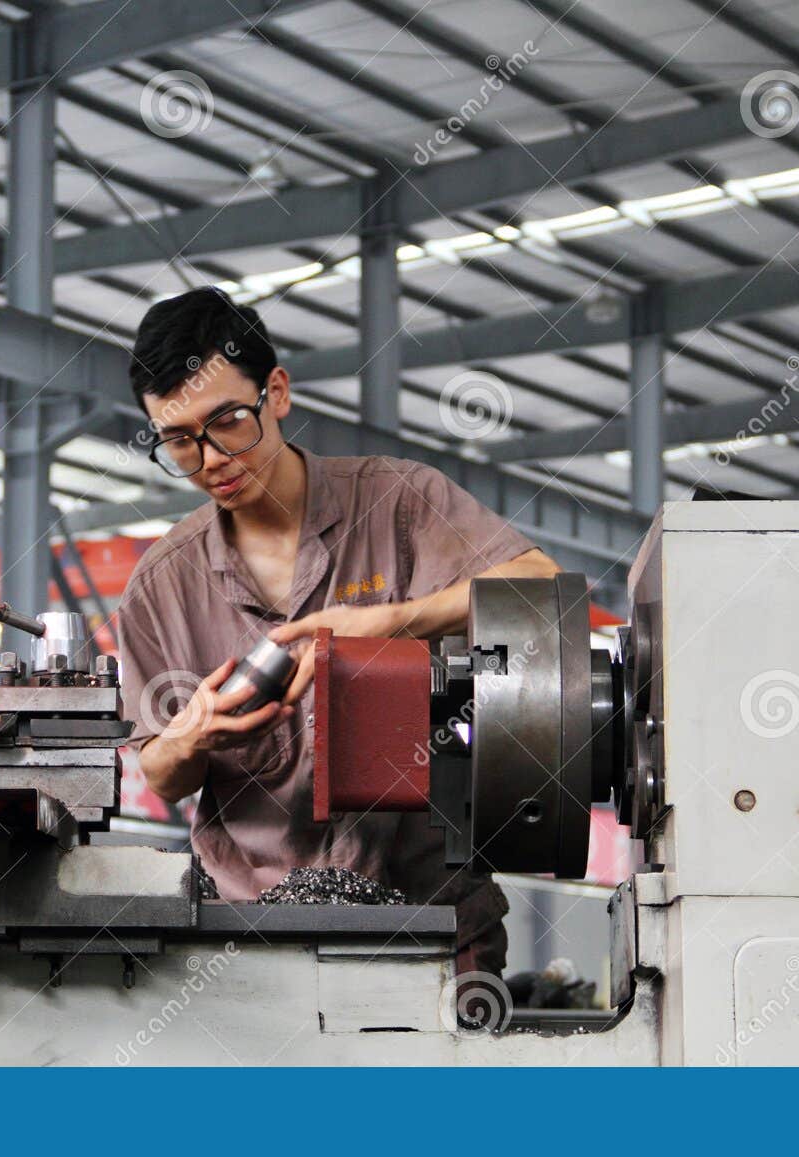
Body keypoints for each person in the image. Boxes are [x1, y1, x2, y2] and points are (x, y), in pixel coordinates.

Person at [115, 286, 561, 977]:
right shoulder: (163, 585)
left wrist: (392, 621)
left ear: (278, 394)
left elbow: (540, 588)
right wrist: (191, 736)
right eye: (178, 441)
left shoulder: (397, 504)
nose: (210, 460)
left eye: (228, 420)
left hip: (434, 924)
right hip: (254, 941)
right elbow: (159, 774)